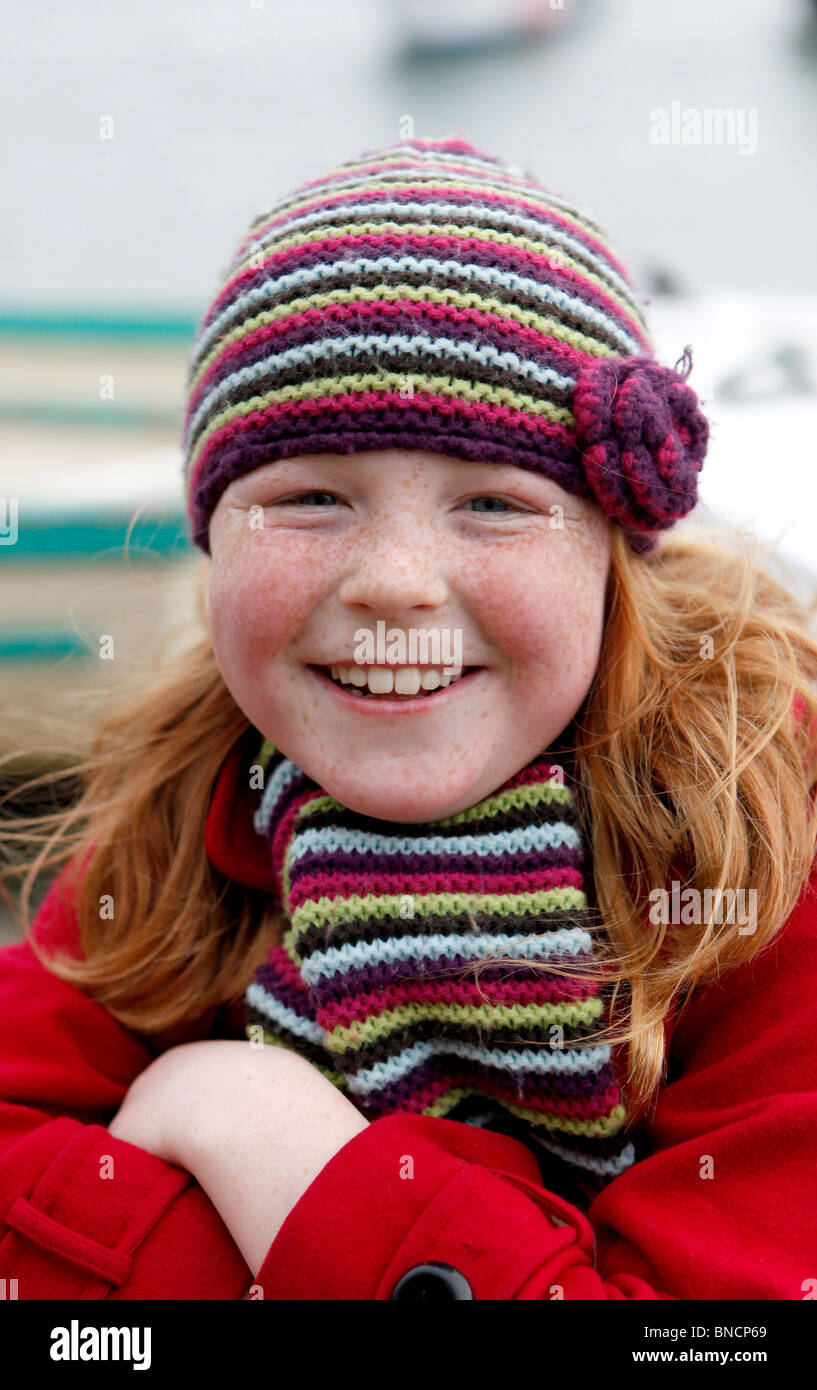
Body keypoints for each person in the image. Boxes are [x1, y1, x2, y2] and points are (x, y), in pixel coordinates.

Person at [2, 134, 817, 1301]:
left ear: (612, 560)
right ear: (211, 535)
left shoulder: (765, 858)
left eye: (493, 503)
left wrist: (270, 1136)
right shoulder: (201, 803)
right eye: (310, 497)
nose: (395, 583)